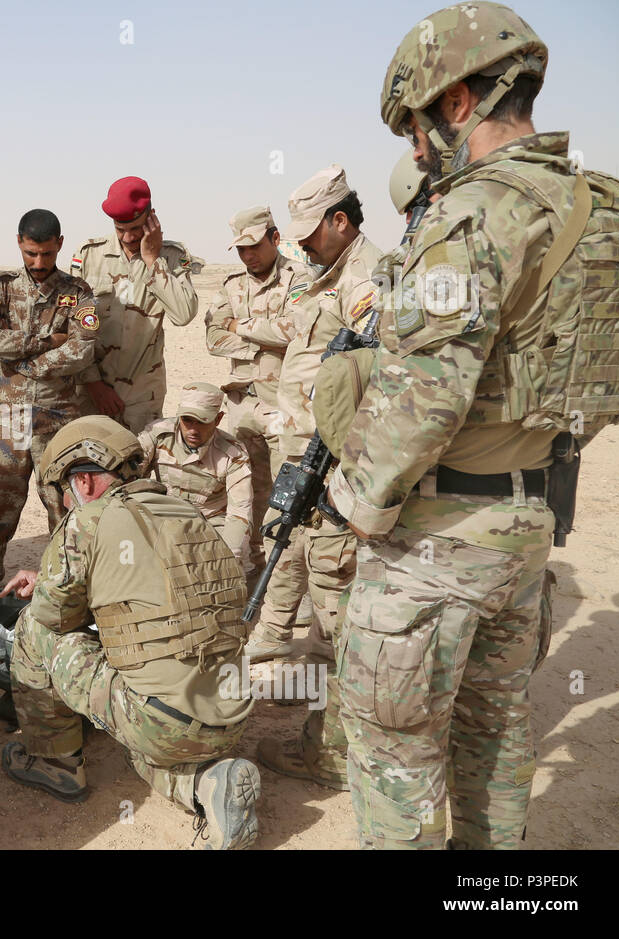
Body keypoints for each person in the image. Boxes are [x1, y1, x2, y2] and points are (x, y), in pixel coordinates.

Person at [328, 1, 619, 848]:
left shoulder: (473, 215)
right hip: (529, 523)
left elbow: (424, 397)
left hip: (436, 540)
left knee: (396, 758)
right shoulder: (600, 205)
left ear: (459, 102)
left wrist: (358, 506)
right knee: (495, 736)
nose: (417, 149)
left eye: (417, 127)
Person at [0, 416, 260, 849]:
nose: (66, 506)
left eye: (65, 494)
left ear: (83, 482)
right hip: (227, 717)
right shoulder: (183, 511)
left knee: (33, 628)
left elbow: (53, 615)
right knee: (152, 737)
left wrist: (45, 585)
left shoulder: (90, 521)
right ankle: (208, 783)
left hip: (159, 721)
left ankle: (55, 764)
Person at [253, 164, 383, 792]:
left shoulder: (367, 281)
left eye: (311, 231)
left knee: (338, 616)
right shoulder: (324, 276)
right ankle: (316, 715)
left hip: (333, 475)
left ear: (342, 220)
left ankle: (330, 753)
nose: (301, 243)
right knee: (307, 591)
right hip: (303, 468)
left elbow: (381, 382)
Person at [0, 209, 98, 603]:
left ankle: (64, 586)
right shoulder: (1, 287)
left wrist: (27, 364)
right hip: (8, 417)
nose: (38, 263)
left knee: (62, 503)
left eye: (45, 253)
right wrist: (44, 341)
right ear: (19, 245)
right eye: (30, 253)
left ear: (59, 244)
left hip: (57, 419)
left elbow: (83, 349)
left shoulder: (79, 292)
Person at [205, 206, 313, 586]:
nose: (248, 255)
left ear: (275, 238)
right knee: (246, 494)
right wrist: (259, 345)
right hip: (241, 404)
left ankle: (285, 583)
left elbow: (296, 330)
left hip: (283, 406)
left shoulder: (299, 278)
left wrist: (242, 325)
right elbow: (214, 337)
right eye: (240, 249)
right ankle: (252, 574)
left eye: (254, 246)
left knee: (286, 496)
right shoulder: (232, 285)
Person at [71, 176, 201, 432]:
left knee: (137, 468)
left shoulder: (173, 257)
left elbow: (184, 314)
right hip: (91, 393)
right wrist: (94, 384)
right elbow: (73, 328)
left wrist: (153, 261)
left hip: (142, 399)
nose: (129, 237)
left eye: (136, 228)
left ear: (152, 217)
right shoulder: (89, 255)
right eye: (120, 229)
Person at [137, 383, 254, 580]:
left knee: (232, 571)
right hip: (163, 514)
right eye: (187, 420)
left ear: (218, 419)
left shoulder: (233, 453)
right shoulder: (157, 433)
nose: (192, 429)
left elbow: (239, 515)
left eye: (202, 422)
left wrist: (227, 559)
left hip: (209, 521)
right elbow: (128, 478)